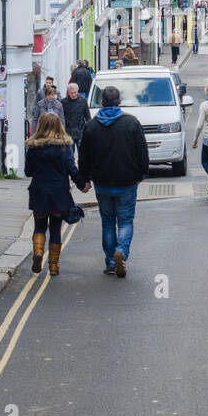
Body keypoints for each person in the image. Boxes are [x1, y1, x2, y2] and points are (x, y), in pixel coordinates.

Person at [79, 86, 149, 277]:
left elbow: (84, 156)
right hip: (127, 181)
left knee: (108, 222)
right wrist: (142, 173)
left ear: (101, 102)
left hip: (102, 182)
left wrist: (84, 178)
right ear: (119, 101)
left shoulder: (91, 126)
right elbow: (142, 151)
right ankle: (121, 252)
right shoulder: (131, 123)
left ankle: (111, 262)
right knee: (125, 220)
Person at [24, 113, 90, 275]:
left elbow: (28, 172)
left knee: (39, 227)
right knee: (55, 229)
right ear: (58, 126)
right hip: (59, 193)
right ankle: (53, 266)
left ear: (40, 126)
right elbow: (71, 169)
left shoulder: (33, 147)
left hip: (39, 191)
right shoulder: (64, 147)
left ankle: (38, 252)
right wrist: (82, 185)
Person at [61, 81, 91, 150]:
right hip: (68, 132)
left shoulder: (83, 101)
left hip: (80, 131)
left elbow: (87, 116)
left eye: (75, 92)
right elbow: (61, 118)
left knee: (82, 153)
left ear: (78, 91)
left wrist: (88, 130)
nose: (74, 94)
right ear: (68, 92)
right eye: (71, 93)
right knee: (70, 155)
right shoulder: (63, 102)